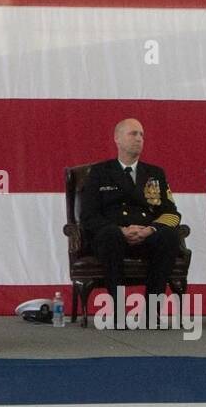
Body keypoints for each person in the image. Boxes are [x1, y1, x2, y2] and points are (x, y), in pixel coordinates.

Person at [77, 119, 182, 328]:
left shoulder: (155, 174)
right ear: (117, 138)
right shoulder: (99, 173)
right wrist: (121, 230)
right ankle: (117, 311)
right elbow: (88, 215)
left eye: (141, 135)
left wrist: (150, 230)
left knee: (169, 236)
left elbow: (171, 213)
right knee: (109, 236)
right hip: (113, 235)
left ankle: (153, 312)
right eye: (133, 134)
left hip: (146, 236)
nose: (139, 139)